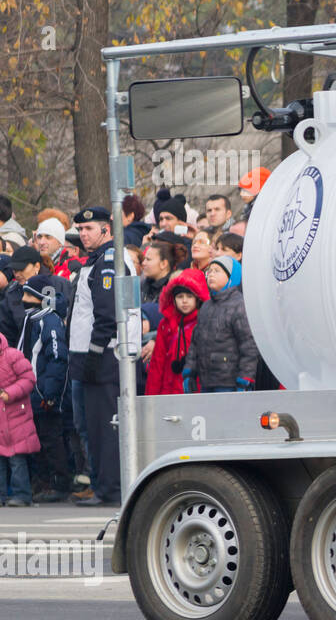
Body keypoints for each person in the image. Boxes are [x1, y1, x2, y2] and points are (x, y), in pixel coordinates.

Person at [67, 206, 137, 506]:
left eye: (89, 229)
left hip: (103, 355)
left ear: (106, 230)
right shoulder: (95, 260)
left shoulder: (109, 260)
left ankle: (109, 489)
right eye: (80, 230)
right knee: (90, 426)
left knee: (103, 427)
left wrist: (94, 354)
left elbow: (107, 315)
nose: (83, 235)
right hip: (87, 354)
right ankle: (101, 484)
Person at [17, 277, 70, 502]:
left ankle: (60, 484)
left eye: (29, 295)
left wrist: (50, 394)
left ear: (41, 298)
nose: (24, 300)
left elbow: (57, 359)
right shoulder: (32, 320)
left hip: (43, 395)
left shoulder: (49, 321)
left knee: (51, 440)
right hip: (31, 393)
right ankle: (43, 483)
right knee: (35, 440)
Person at [184, 257, 258, 394]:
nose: (211, 274)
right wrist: (189, 371)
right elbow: (195, 343)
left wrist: (245, 378)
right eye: (209, 271)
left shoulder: (239, 306)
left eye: (217, 271)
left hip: (230, 383)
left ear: (232, 276)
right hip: (206, 381)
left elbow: (249, 346)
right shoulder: (206, 306)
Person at [146, 268, 209, 396]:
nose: (184, 301)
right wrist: (152, 398)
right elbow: (157, 363)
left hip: (195, 391)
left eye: (189, 296)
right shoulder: (166, 325)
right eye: (180, 296)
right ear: (173, 299)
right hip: (168, 391)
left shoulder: (204, 323)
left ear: (198, 298)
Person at [0, 331, 39, 506]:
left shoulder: (13, 355)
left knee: (17, 460)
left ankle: (22, 495)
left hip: (16, 416)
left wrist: (9, 393)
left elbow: (29, 379)